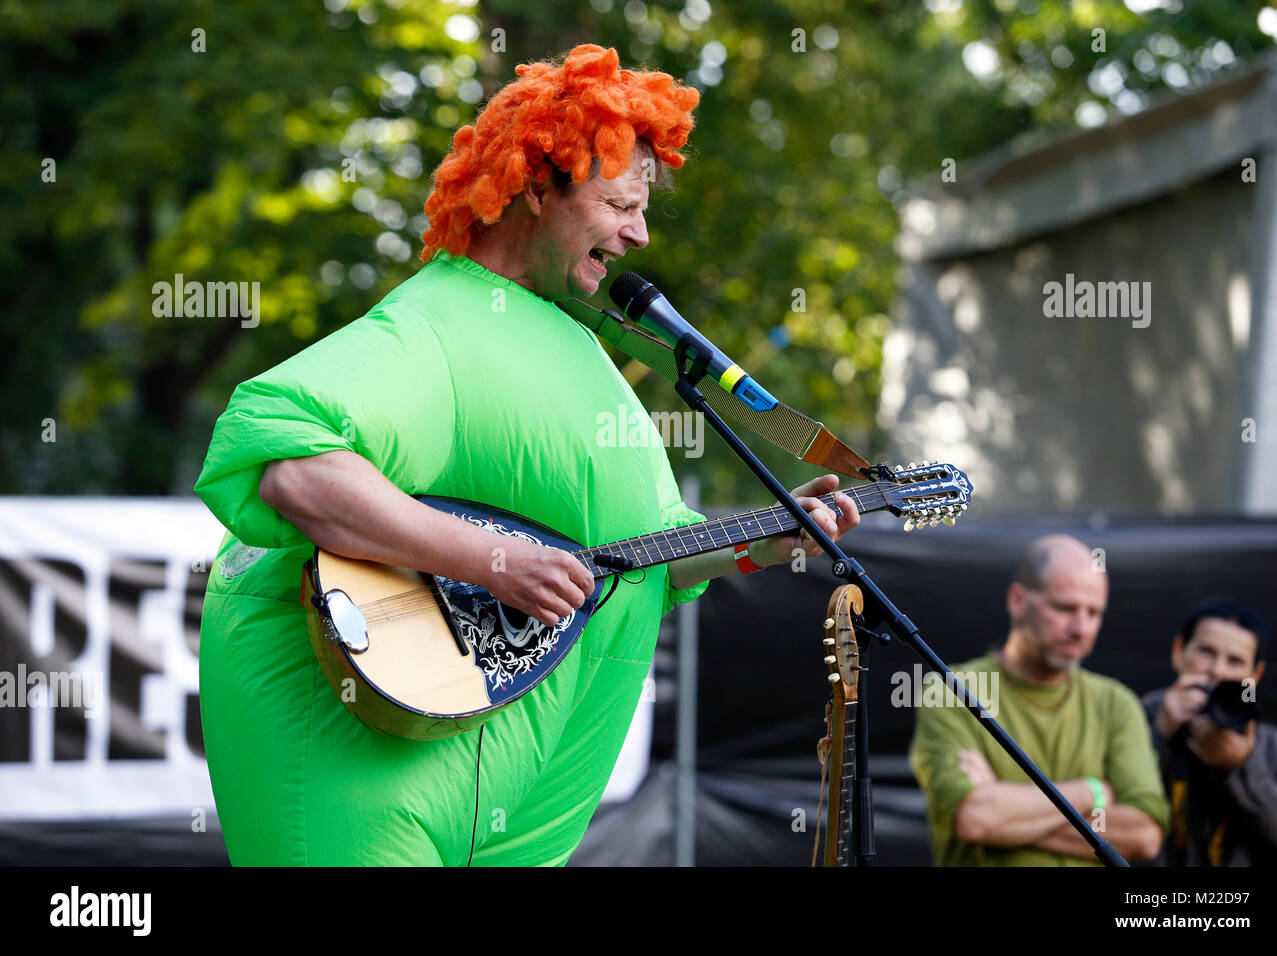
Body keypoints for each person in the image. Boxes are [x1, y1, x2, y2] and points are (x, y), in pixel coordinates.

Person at [193, 44, 860, 866]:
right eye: (620, 203)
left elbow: (634, 555)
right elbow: (290, 461)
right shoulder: (436, 325)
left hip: (505, 775)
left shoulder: (584, 355)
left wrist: (759, 545)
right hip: (354, 753)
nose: (640, 232)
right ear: (540, 186)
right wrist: (493, 559)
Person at [908, 534, 1168, 865]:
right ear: (1017, 600)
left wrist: (1007, 815)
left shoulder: (1117, 703)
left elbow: (1144, 835)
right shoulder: (953, 690)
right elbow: (975, 818)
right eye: (1064, 608)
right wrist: (1093, 791)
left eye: (1094, 613)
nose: (1081, 628)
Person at [1142, 598, 1277, 866]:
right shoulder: (1134, 719)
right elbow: (1101, 816)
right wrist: (1158, 737)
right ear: (1178, 651)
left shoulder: (1276, 749)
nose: (1217, 671)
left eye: (1235, 661)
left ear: (1255, 675)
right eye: (1206, 652)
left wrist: (1244, 766)